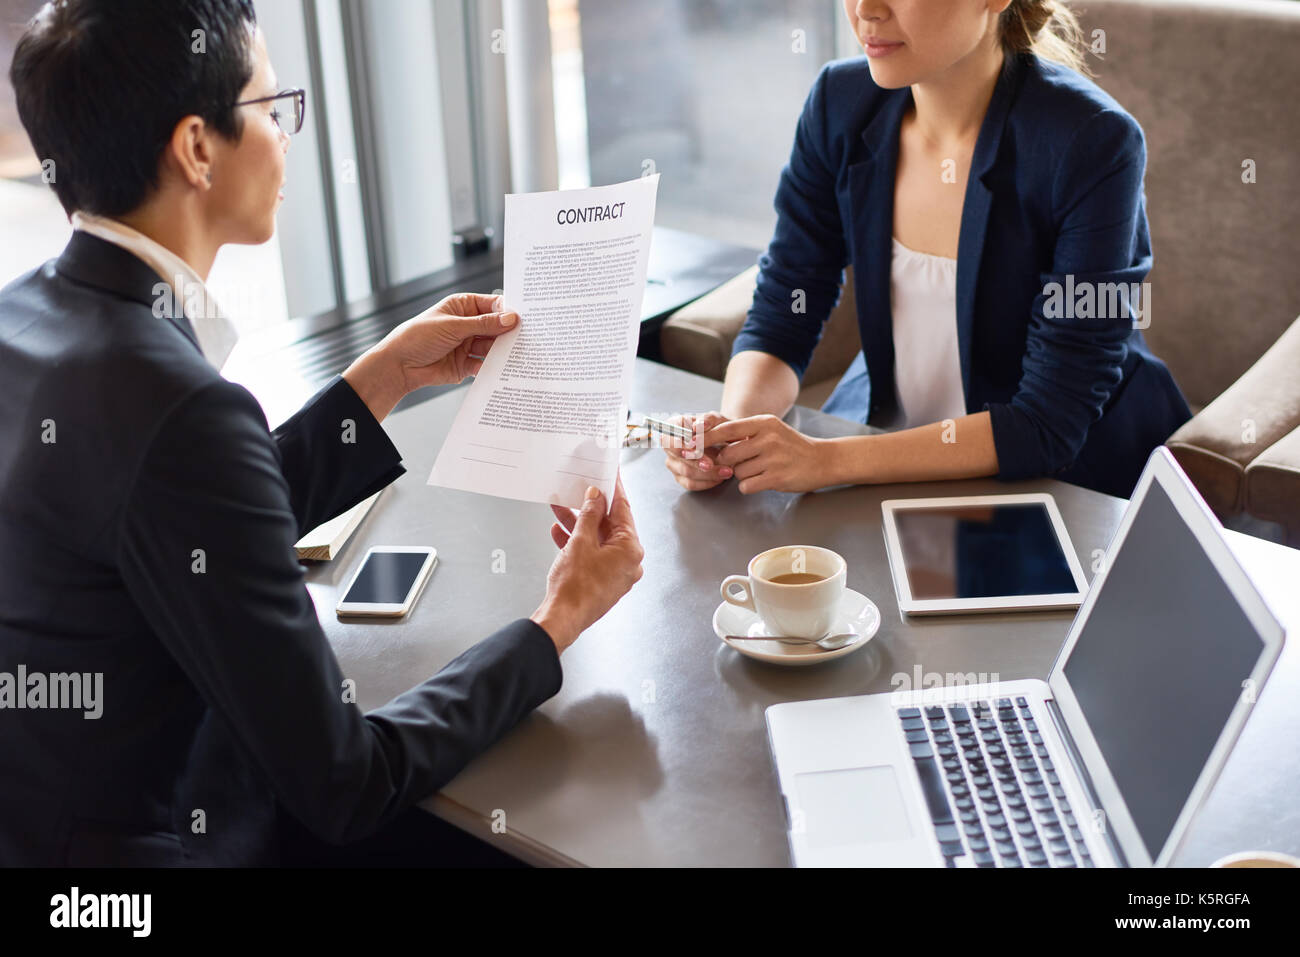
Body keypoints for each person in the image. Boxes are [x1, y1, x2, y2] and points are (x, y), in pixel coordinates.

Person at [0, 0, 643, 866]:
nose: (287, 134)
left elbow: (187, 527)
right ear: (196, 149)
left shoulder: (27, 319)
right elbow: (348, 780)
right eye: (272, 107)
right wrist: (558, 619)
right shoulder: (179, 406)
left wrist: (388, 376)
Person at [664, 0, 1191, 501]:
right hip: (882, 436)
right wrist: (732, 433)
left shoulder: (1094, 143)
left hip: (1065, 472)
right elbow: (785, 307)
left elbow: (1048, 422)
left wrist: (826, 462)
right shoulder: (838, 104)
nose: (866, 10)